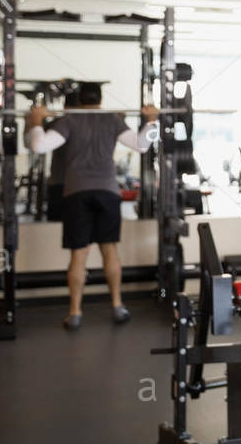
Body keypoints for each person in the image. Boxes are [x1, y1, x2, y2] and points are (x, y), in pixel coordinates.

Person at [26, 82, 158, 330]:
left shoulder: (69, 121)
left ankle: (75, 312)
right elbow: (142, 145)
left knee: (79, 254)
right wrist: (151, 121)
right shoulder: (111, 120)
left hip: (77, 192)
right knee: (110, 250)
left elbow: (37, 146)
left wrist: (35, 121)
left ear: (79, 99)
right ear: (100, 98)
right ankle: (117, 305)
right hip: (107, 192)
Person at [44, 89, 81, 222]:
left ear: (65, 106)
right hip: (73, 184)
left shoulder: (58, 123)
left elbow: (31, 142)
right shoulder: (57, 123)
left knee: (58, 226)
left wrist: (32, 121)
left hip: (63, 184)